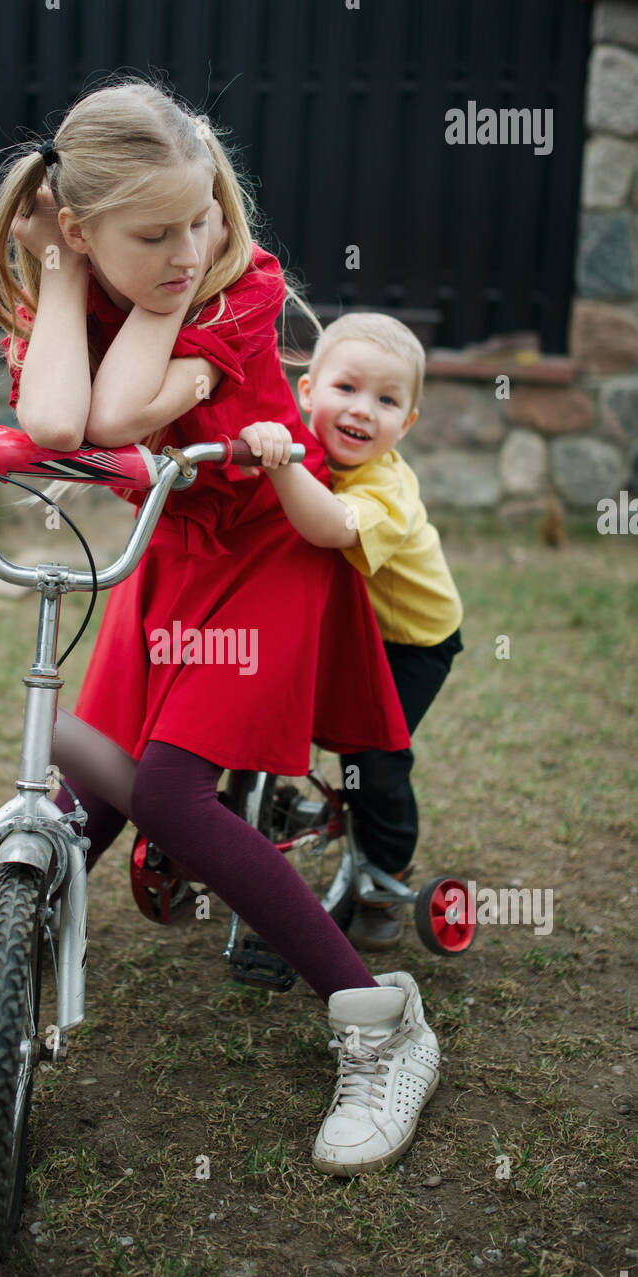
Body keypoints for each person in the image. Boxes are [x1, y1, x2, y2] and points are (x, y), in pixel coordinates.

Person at [0, 80, 441, 1175]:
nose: (191, 246)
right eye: (154, 232)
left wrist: (147, 292)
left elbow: (107, 413)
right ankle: (17, 906)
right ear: (81, 231)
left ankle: (381, 1022)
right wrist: (59, 272)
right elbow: (58, 419)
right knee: (101, 766)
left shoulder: (240, 283)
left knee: (175, 792)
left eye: (199, 214)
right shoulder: (76, 284)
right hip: (175, 545)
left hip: (276, 550)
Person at [238, 312, 464, 953]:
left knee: (375, 756)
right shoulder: (308, 446)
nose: (364, 411)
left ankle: (383, 876)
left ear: (407, 424)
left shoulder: (383, 485)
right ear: (307, 392)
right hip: (347, 628)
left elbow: (333, 526)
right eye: (347, 389)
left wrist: (281, 469)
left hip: (412, 642)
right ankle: (266, 814)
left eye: (387, 401)